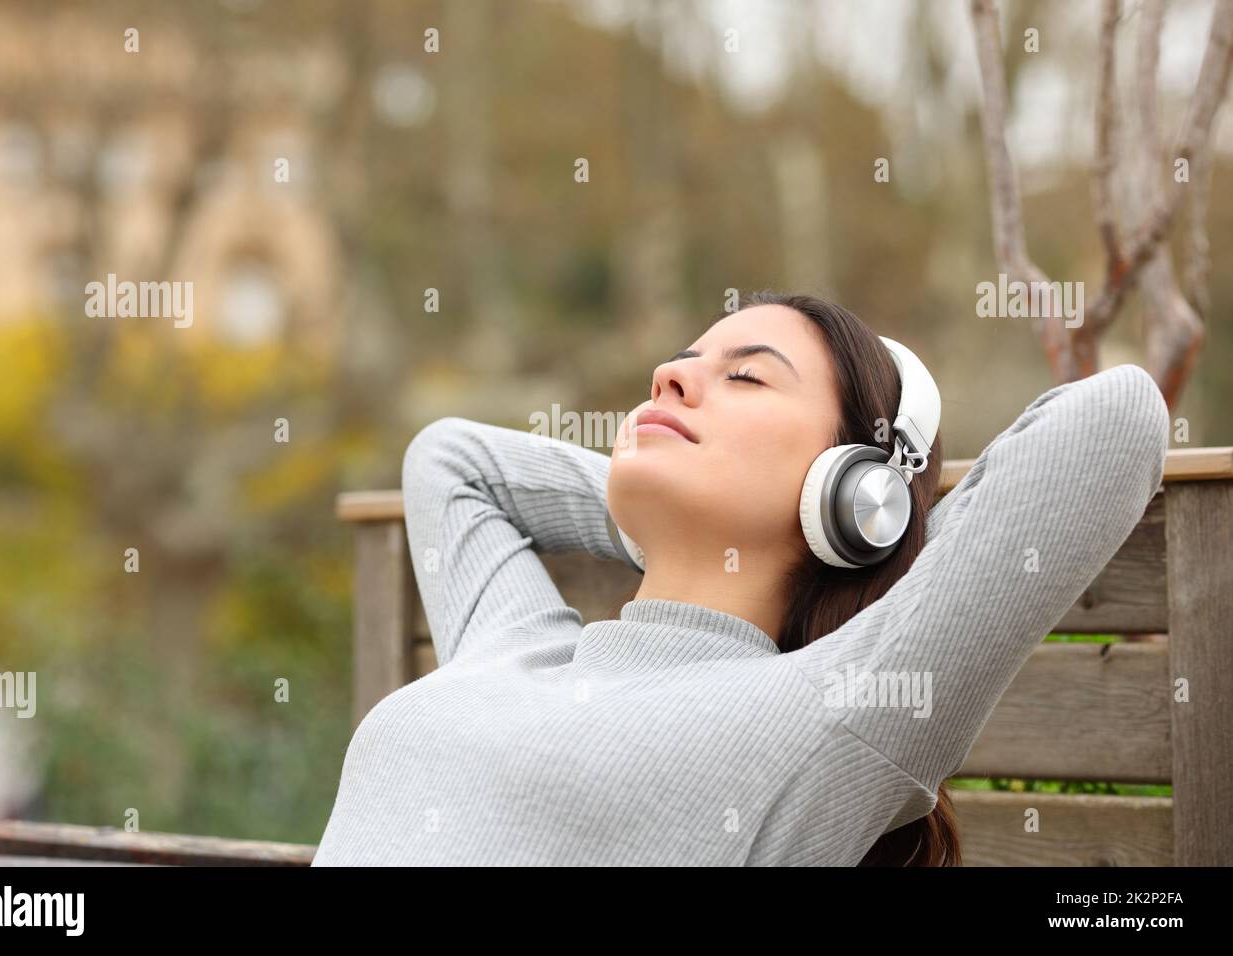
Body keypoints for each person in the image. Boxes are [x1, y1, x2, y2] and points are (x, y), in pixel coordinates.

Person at [312, 289, 1169, 866]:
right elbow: (451, 462)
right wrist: (666, 517)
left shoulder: (836, 709)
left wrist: (866, 525)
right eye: (684, 361)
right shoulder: (512, 645)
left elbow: (1118, 416)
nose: (669, 376)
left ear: (853, 483)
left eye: (746, 375)